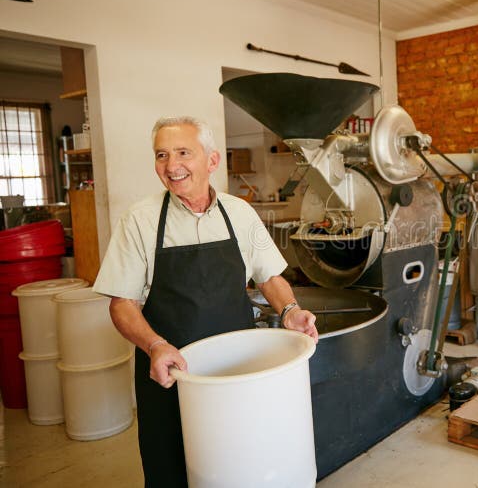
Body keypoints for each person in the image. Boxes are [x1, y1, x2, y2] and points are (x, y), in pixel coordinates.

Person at [93, 116, 318, 487]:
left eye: (184, 152)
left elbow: (269, 275)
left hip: (236, 376)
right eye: (161, 155)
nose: (171, 165)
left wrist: (290, 311)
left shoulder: (240, 214)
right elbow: (122, 304)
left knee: (237, 464)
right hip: (171, 373)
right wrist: (155, 345)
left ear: (212, 161)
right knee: (172, 467)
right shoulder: (140, 221)